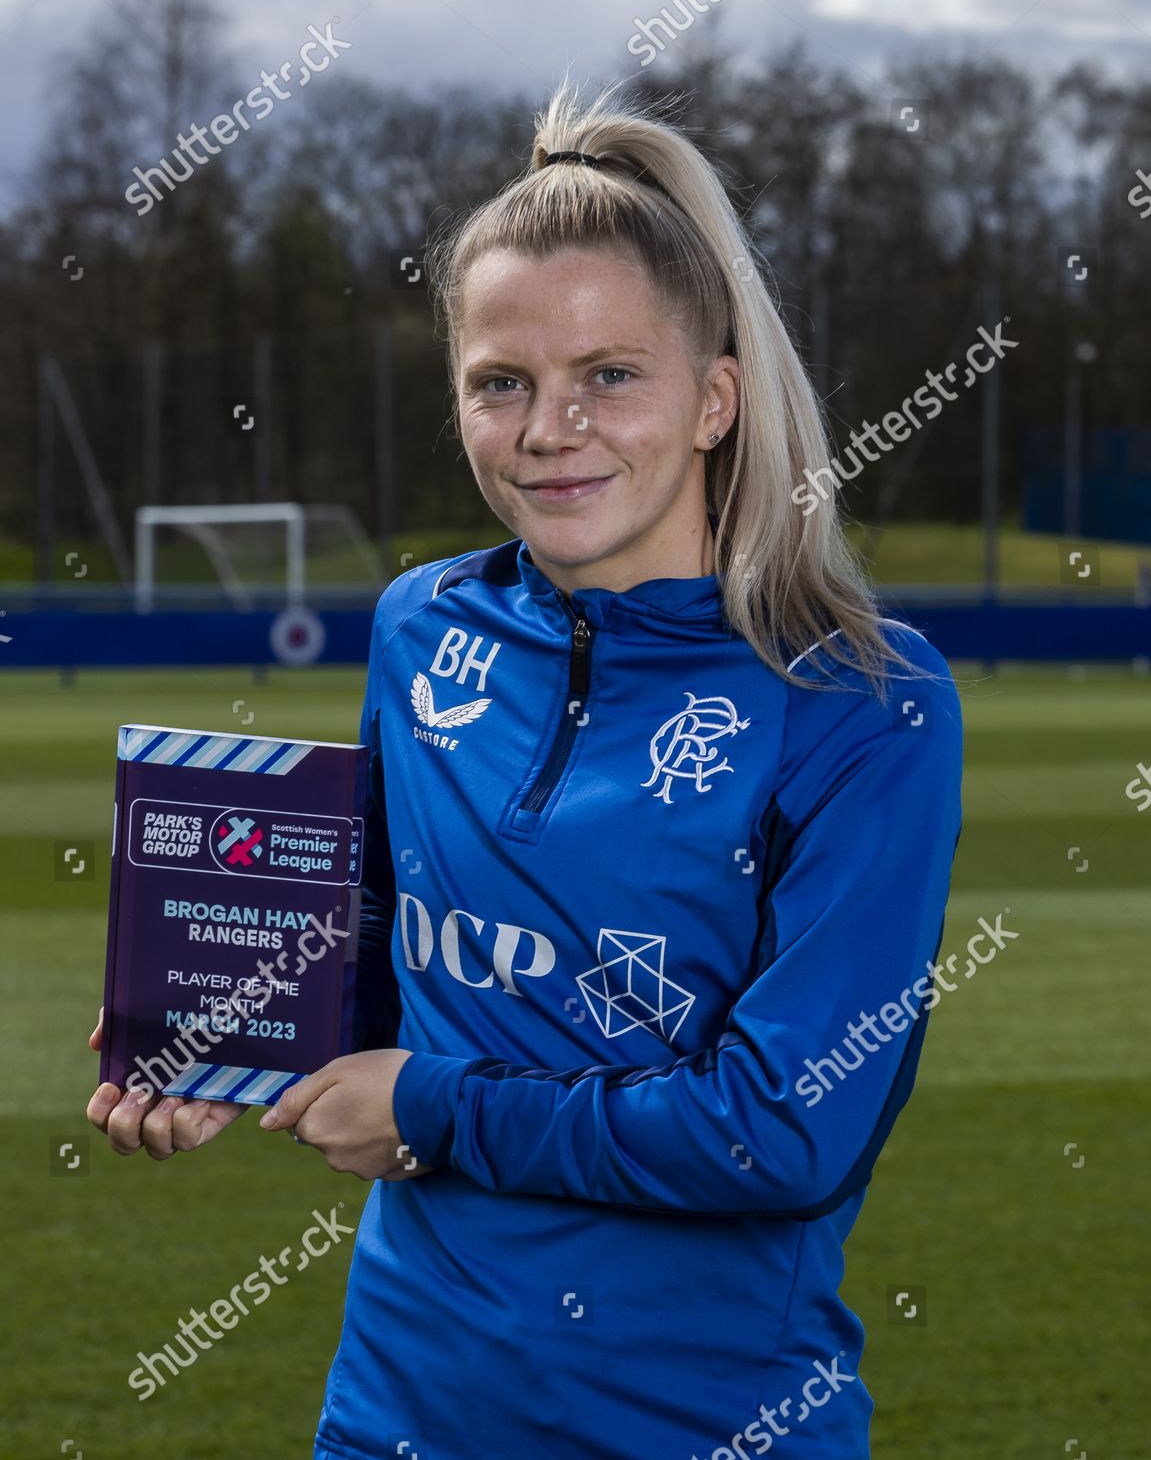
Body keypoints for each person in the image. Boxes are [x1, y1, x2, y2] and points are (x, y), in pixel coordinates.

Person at [87, 76, 963, 1459]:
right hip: (398, 1414)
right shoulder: (418, 626)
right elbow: (373, 962)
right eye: (503, 383)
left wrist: (431, 1105)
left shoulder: (861, 699)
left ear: (718, 398)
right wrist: (226, 1043)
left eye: (610, 375)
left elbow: (783, 1135)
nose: (551, 427)